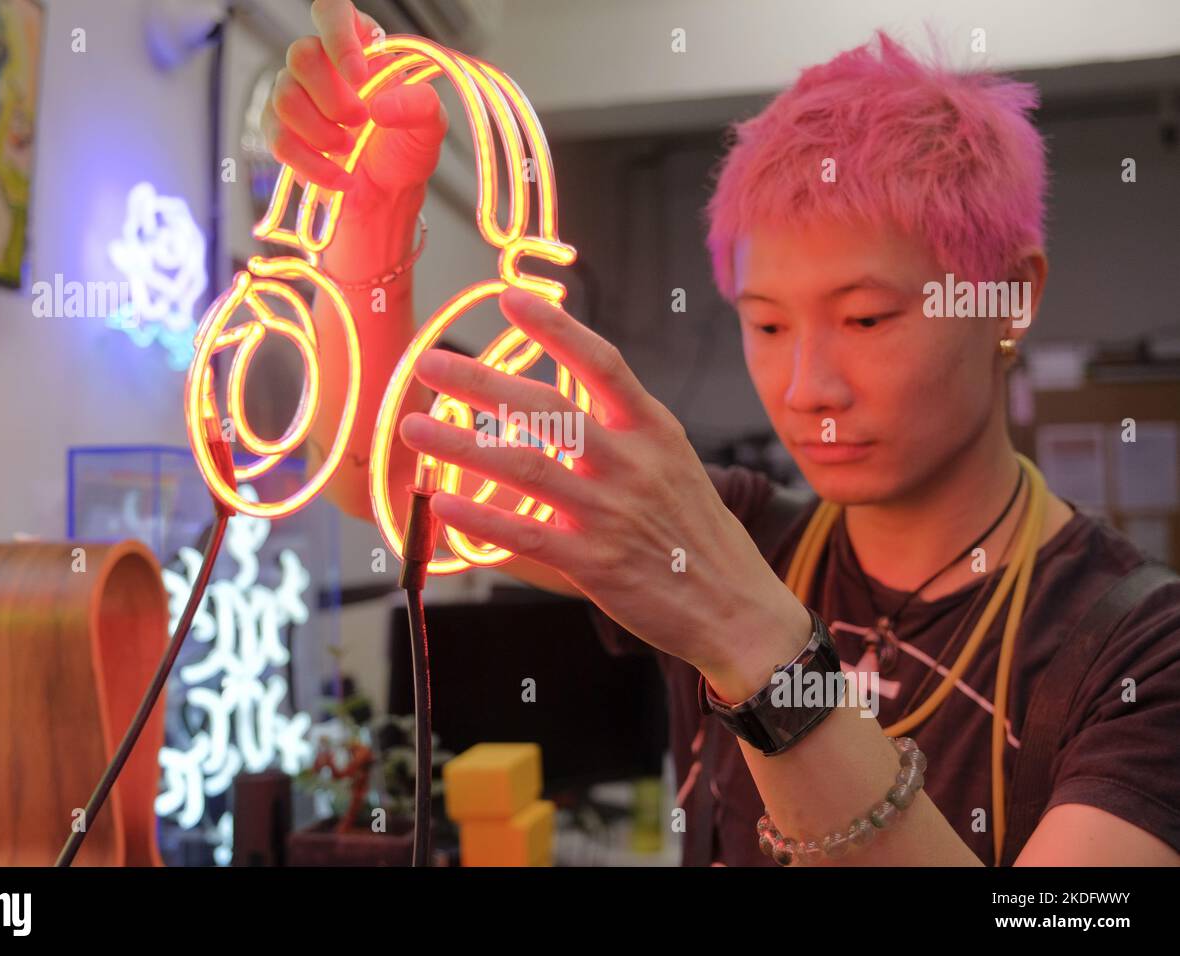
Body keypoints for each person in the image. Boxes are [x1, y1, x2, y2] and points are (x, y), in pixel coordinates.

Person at [264, 0, 1180, 865]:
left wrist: (757, 643)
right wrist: (374, 216)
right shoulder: (741, 531)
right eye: (767, 323)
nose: (806, 385)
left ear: (1007, 300)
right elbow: (384, 480)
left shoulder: (1140, 651)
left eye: (866, 319)